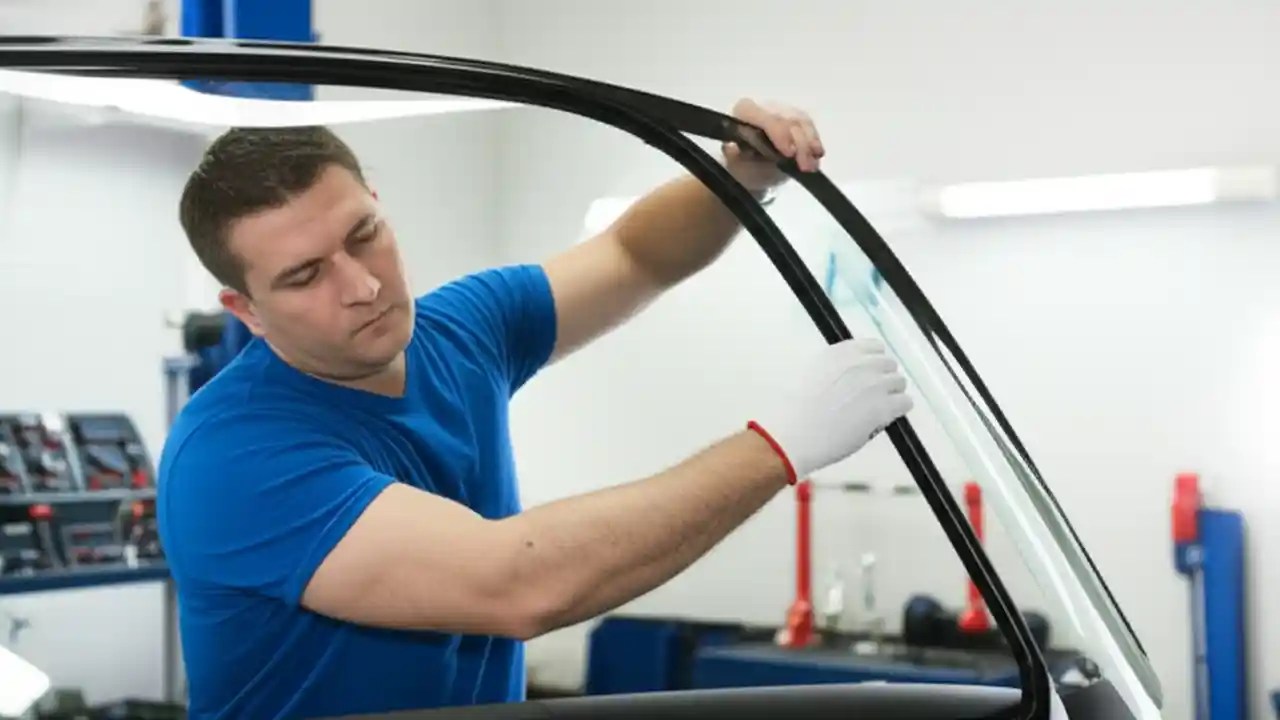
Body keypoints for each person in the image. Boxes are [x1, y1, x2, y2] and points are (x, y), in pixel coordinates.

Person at [157, 98, 913, 720]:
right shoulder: (233, 455)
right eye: (305, 276)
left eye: (364, 235)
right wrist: (779, 447)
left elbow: (632, 255)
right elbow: (516, 583)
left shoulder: (460, 331)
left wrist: (740, 178)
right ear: (245, 309)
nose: (361, 285)